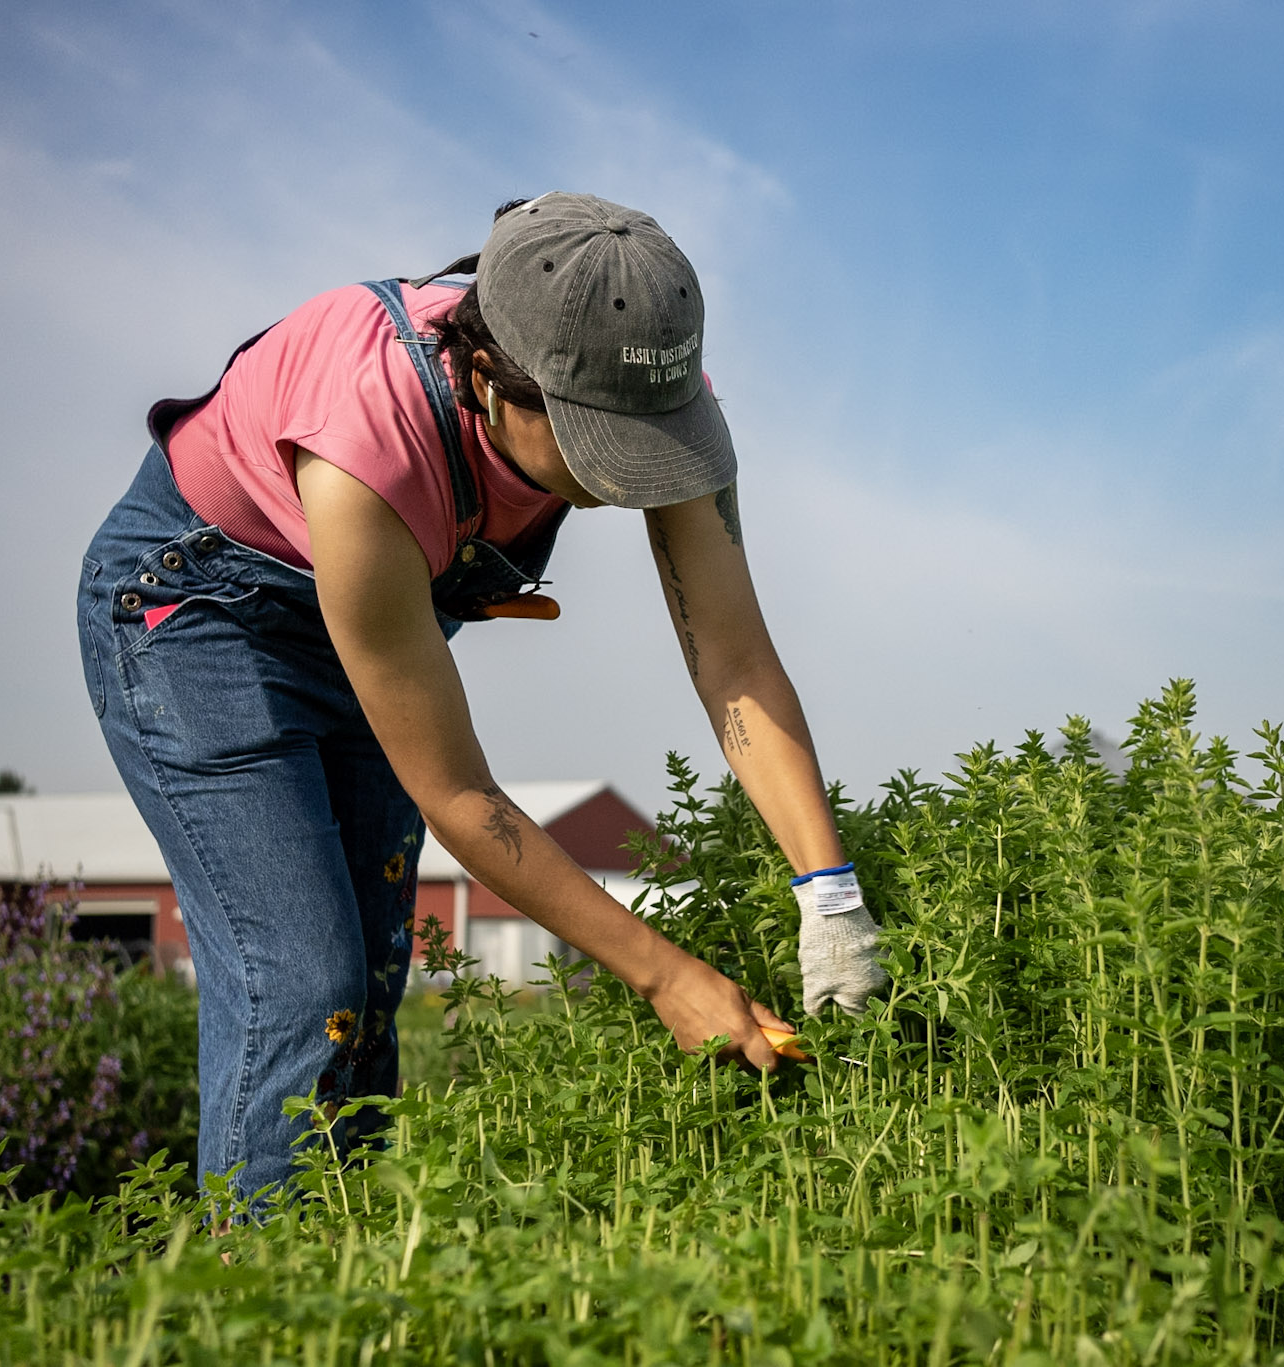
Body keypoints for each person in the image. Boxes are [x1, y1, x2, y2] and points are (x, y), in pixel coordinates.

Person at [76, 192, 888, 1202]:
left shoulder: (646, 374)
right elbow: (457, 792)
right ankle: (262, 1297)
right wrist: (664, 974)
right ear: (494, 383)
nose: (628, 477)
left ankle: (349, 1272)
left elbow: (733, 656)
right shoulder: (365, 443)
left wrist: (832, 900)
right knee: (303, 986)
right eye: (597, 446)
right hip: (200, 614)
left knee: (368, 989)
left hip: (376, 616)